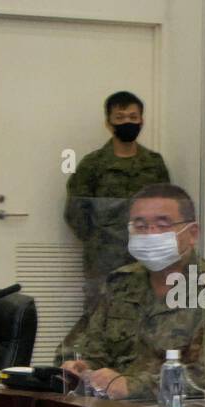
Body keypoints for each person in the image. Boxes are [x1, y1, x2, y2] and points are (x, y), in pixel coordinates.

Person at [59, 183, 205, 402]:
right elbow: (88, 346)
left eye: (162, 225)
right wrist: (80, 366)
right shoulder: (120, 283)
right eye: (140, 226)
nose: (150, 234)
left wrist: (130, 386)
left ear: (192, 233)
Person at [64, 91, 170, 316]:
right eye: (120, 118)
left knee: (147, 317)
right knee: (99, 317)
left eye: (133, 117)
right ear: (108, 123)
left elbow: (167, 208)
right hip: (104, 260)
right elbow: (75, 212)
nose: (127, 123)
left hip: (146, 258)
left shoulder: (154, 163)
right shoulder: (93, 165)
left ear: (142, 121)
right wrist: (99, 240)